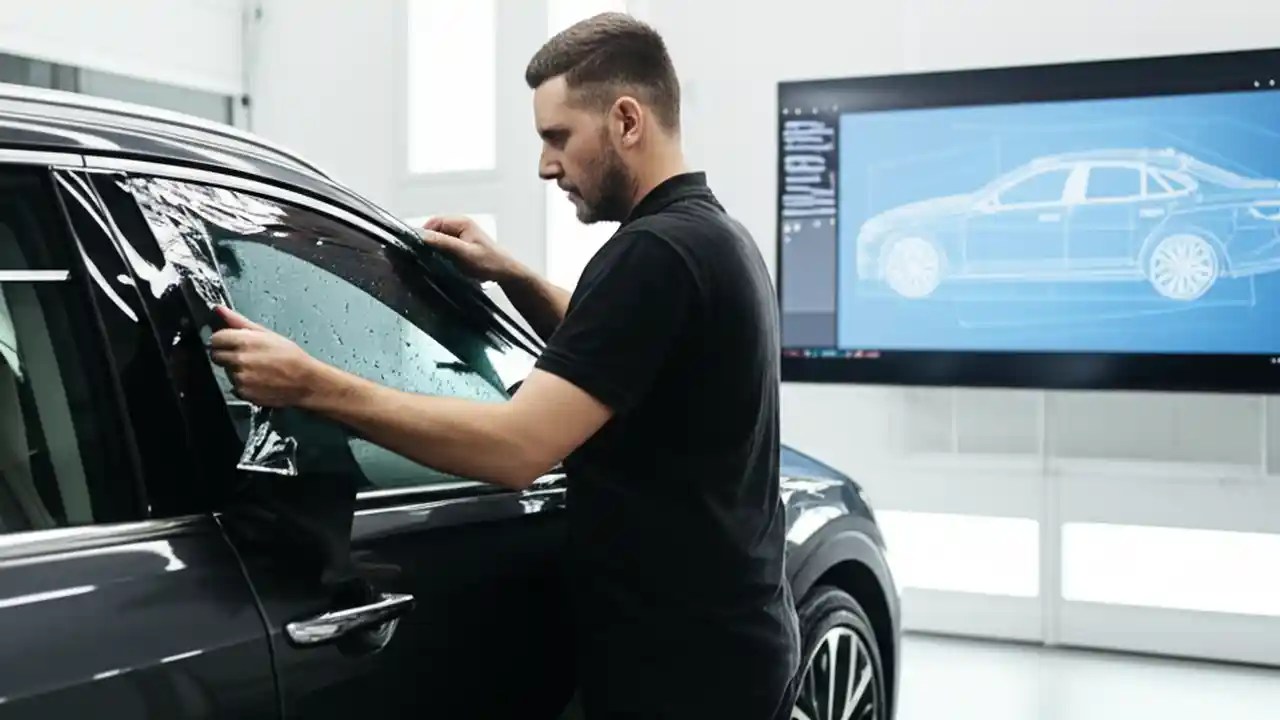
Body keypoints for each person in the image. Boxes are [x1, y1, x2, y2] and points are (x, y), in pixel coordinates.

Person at [208, 11, 800, 719]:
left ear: (626, 120)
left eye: (558, 137)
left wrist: (312, 384)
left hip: (680, 675)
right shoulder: (713, 237)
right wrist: (511, 276)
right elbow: (615, 343)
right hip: (734, 647)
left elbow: (516, 449)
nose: (546, 165)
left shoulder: (653, 255)